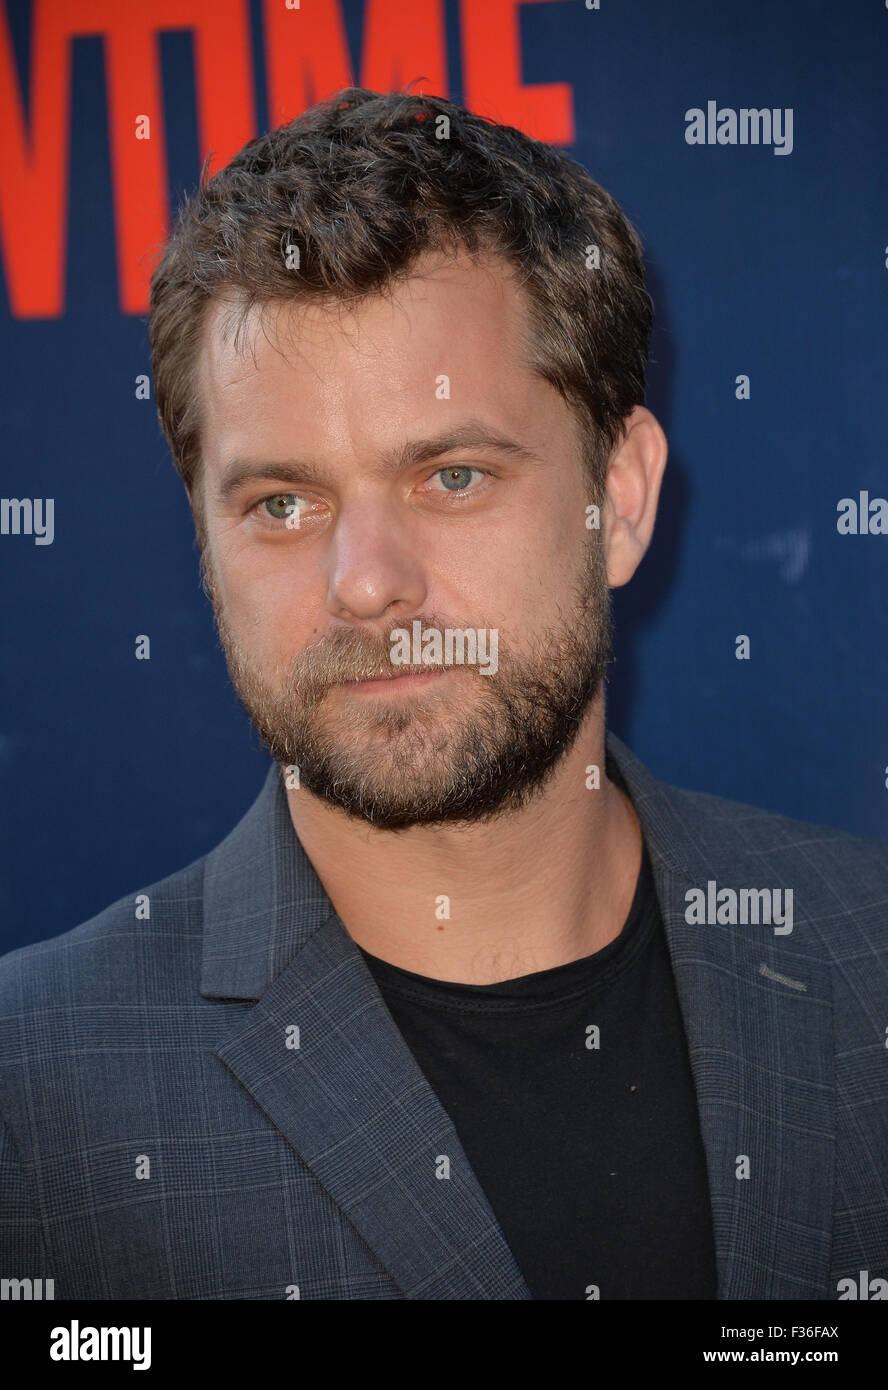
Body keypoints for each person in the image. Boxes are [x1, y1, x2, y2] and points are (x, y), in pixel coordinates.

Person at [1, 88, 886, 1302]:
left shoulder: (868, 950)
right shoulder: (30, 1094)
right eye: (282, 503)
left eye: (452, 474)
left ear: (617, 501)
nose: (365, 584)